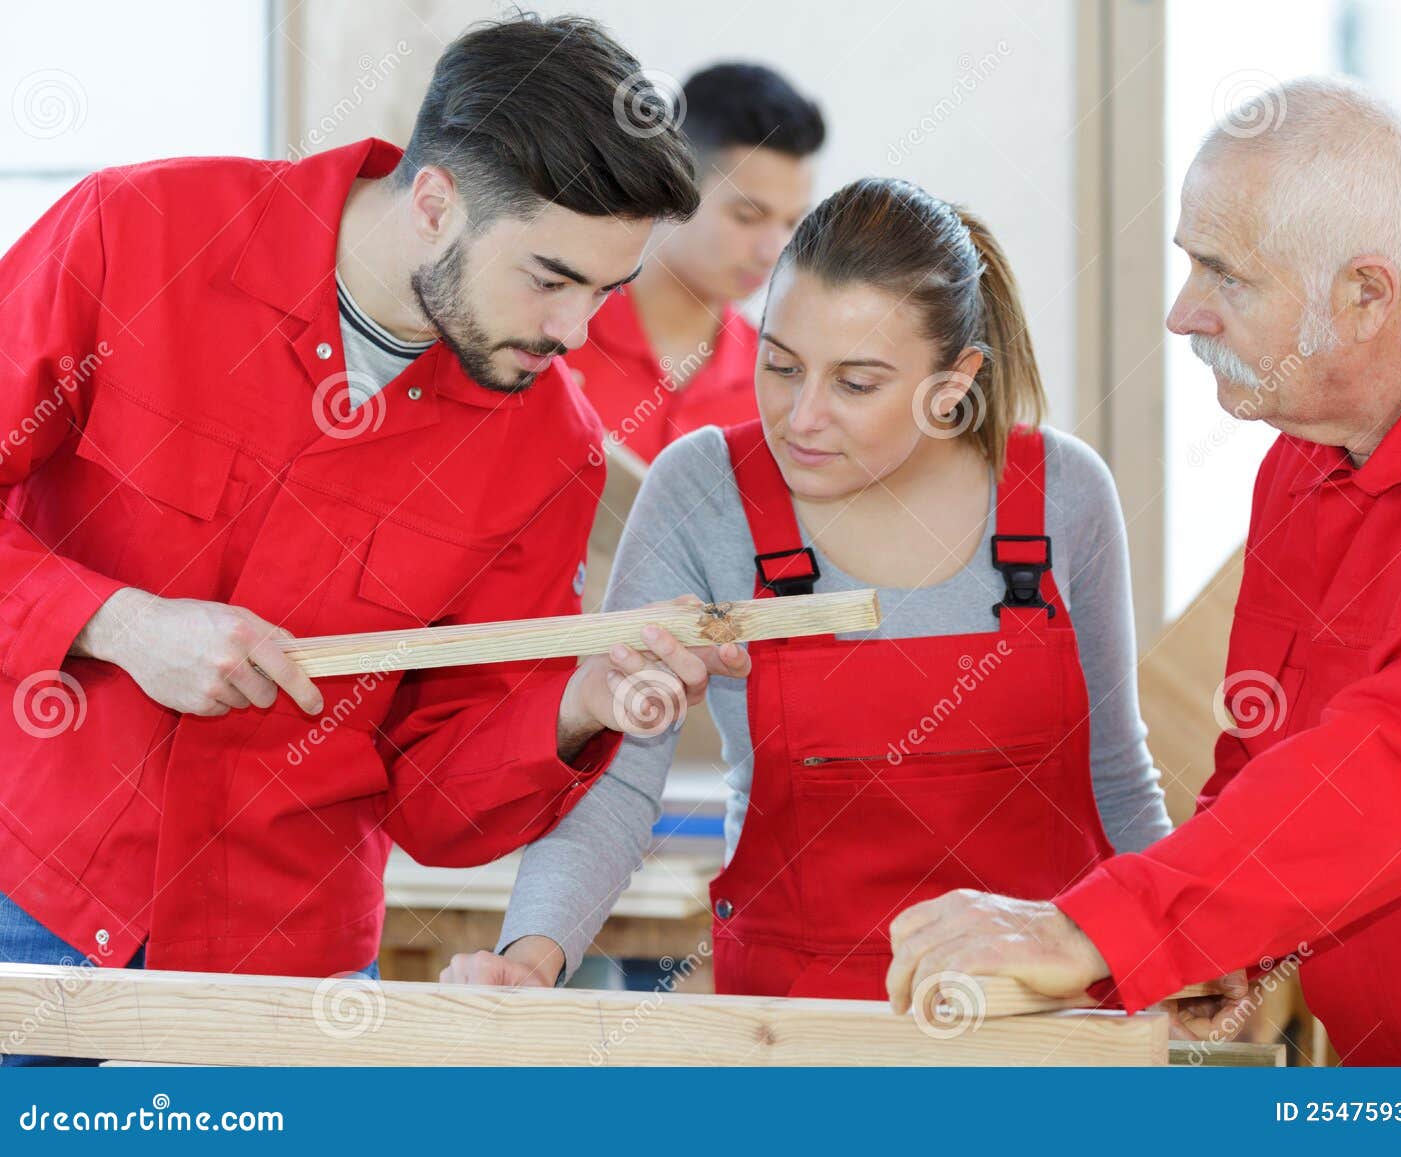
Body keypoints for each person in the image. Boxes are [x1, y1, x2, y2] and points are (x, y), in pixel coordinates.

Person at [0, 14, 748, 1066]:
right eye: (548, 277)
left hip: (287, 973)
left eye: (604, 291)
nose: (575, 331)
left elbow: (437, 803)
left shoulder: (550, 452)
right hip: (28, 905)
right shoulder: (140, 232)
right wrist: (117, 623)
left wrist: (581, 702)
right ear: (436, 201)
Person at [886, 77, 1401, 1065]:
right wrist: (1226, 957)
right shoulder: (1300, 459)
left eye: (1224, 275)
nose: (1184, 313)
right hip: (1387, 1073)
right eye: (1190, 265)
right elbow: (1265, 761)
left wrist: (1099, 926)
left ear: (1363, 295)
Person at [441, 177, 1173, 999]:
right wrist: (530, 957)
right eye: (781, 365)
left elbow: (1116, 777)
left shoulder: (1063, 492)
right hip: (792, 1033)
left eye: (856, 384)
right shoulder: (704, 490)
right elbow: (619, 777)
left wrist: (1176, 959)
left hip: (1045, 1030)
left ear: (954, 382)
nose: (802, 415)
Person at [567, 63, 824, 462]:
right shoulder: (555, 332)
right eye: (747, 216)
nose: (773, 251)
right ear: (675, 182)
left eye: (791, 223)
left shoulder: (780, 388)